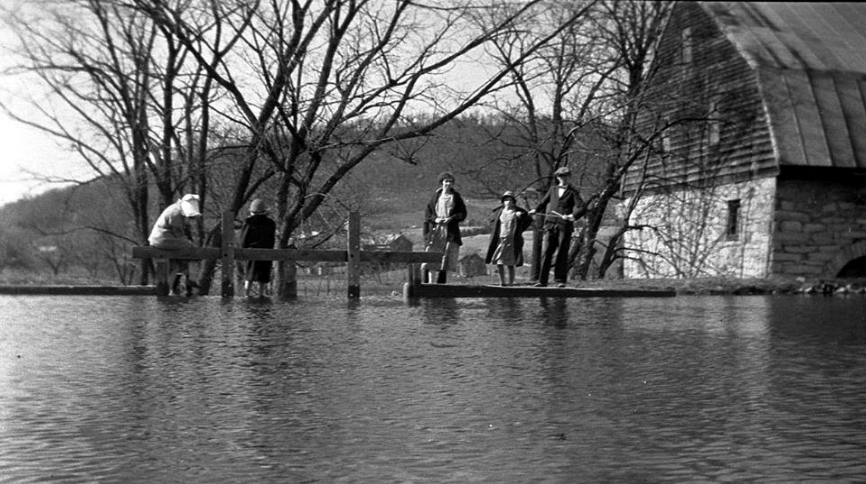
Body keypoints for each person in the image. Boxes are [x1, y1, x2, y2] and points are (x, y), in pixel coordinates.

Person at [528, 166, 586, 287]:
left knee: (562, 253)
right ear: (557, 177)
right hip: (550, 224)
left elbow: (582, 207)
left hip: (564, 225)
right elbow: (543, 202)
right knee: (547, 252)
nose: (562, 178)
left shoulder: (573, 191)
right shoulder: (553, 189)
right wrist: (535, 210)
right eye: (560, 176)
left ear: (569, 177)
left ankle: (560, 281)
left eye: (565, 176)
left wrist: (572, 216)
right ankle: (542, 281)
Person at [148, 193, 202, 295]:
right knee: (192, 249)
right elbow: (178, 234)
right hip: (162, 239)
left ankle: (171, 289)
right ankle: (189, 276)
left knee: (175, 266)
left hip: (163, 239)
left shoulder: (176, 209)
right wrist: (191, 245)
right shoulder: (176, 213)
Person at [422, 172, 467, 284]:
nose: (448, 184)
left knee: (447, 258)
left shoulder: (456, 197)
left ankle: (444, 285)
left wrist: (451, 219)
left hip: (450, 232)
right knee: (432, 257)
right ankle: (430, 284)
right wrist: (435, 219)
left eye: (451, 182)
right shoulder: (435, 196)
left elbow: (462, 213)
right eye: (446, 181)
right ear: (442, 182)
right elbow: (428, 213)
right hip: (436, 231)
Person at [485, 191, 532, 286]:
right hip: (500, 239)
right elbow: (491, 222)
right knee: (498, 261)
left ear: (513, 201)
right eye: (506, 200)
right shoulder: (498, 212)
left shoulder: (518, 212)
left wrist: (520, 227)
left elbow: (528, 220)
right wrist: (495, 231)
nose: (508, 202)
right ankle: (502, 282)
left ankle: (511, 283)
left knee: (510, 263)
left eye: (510, 200)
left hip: (512, 240)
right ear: (503, 201)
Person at [240, 199, 277, 297]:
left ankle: (246, 295)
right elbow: (272, 239)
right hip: (266, 252)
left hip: (251, 252)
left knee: (249, 276)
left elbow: (244, 239)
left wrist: (243, 249)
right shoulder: (270, 223)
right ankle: (261, 295)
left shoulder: (248, 222)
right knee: (263, 277)